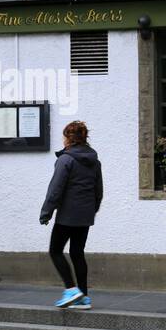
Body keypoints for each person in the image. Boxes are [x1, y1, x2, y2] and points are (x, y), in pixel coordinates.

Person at [41, 120, 103, 310]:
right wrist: (92, 209)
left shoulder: (65, 160)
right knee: (77, 252)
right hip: (85, 215)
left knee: (55, 250)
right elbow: (99, 191)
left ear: (68, 138)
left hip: (68, 214)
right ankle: (83, 297)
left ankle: (71, 289)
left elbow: (55, 190)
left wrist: (46, 212)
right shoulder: (94, 161)